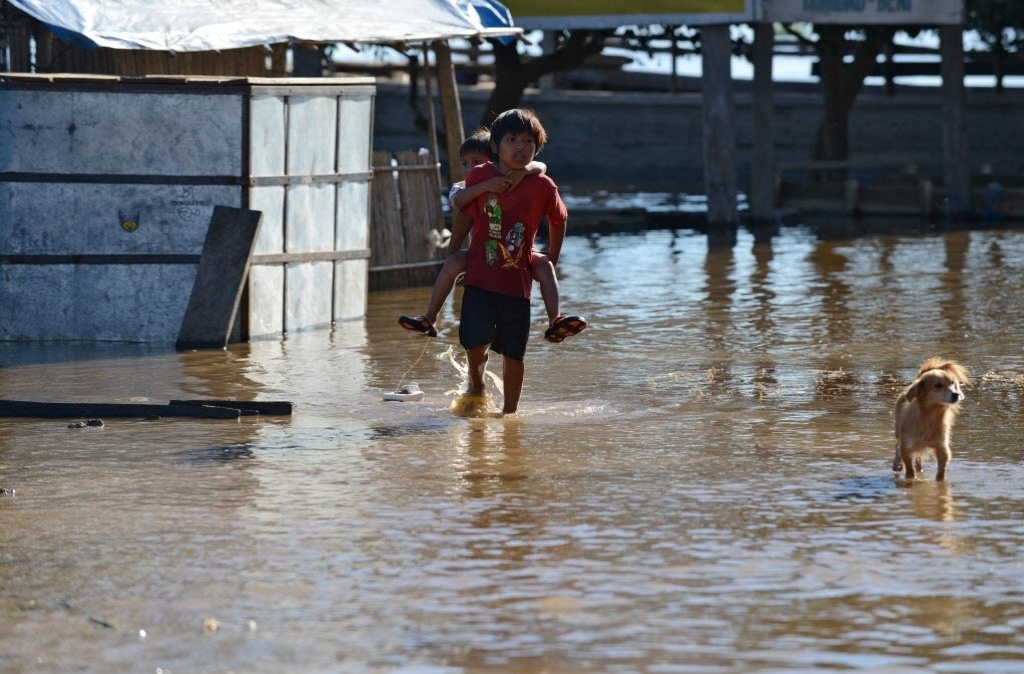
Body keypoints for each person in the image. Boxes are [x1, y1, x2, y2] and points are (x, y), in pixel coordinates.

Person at [398, 129, 585, 344]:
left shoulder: (518, 180)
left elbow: (541, 166)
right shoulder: (464, 187)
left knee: (545, 266)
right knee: (453, 263)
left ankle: (555, 320)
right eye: (464, 163)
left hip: (518, 252)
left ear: (494, 161)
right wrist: (485, 186)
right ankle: (429, 318)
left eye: (476, 162)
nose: (469, 169)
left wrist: (522, 171)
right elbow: (459, 201)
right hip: (482, 254)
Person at [455, 108, 585, 414]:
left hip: (518, 284)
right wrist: (453, 254)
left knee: (514, 352)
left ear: (536, 148)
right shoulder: (480, 176)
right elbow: (463, 213)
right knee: (474, 342)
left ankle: (509, 415)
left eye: (527, 141)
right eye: (511, 139)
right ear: (496, 146)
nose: (519, 147)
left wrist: (551, 257)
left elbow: (559, 218)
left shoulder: (542, 185)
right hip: (480, 277)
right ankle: (476, 381)